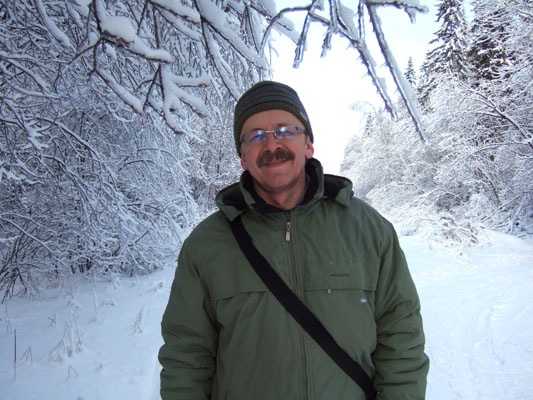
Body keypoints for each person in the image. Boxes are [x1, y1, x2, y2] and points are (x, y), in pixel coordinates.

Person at [158, 81, 429, 399]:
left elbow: (402, 339)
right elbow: (186, 357)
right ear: (243, 157)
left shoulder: (369, 231)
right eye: (255, 136)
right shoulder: (206, 246)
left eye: (285, 130)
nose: (271, 144)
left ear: (308, 145)